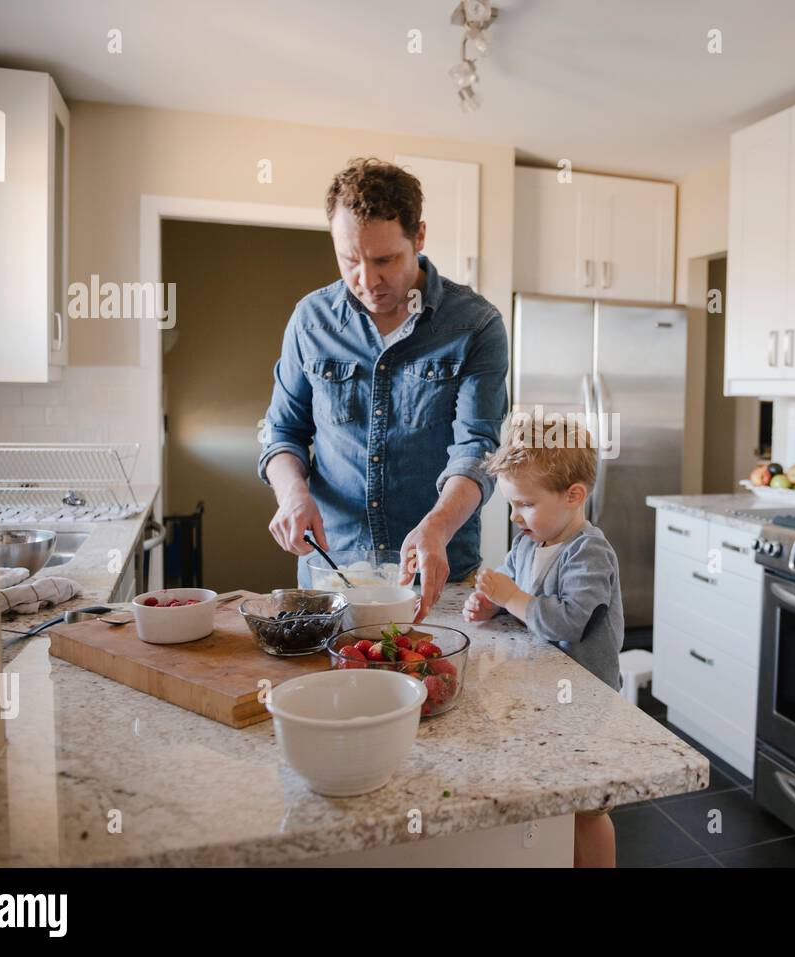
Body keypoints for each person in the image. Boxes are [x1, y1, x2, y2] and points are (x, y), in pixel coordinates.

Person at [259, 158, 508, 619]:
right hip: (331, 570)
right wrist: (292, 494)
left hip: (434, 572)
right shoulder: (311, 320)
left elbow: (477, 450)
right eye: (350, 260)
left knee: (432, 687)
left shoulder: (475, 324)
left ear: (419, 238)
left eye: (384, 260)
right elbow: (281, 432)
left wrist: (435, 526)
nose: (367, 281)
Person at [463, 412, 625, 867]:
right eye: (512, 505)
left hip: (585, 701)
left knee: (586, 806)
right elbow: (515, 594)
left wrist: (512, 596)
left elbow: (567, 623)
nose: (516, 518)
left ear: (574, 496)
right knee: (553, 796)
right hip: (541, 694)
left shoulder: (589, 551)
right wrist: (492, 604)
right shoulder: (529, 543)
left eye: (526, 505)